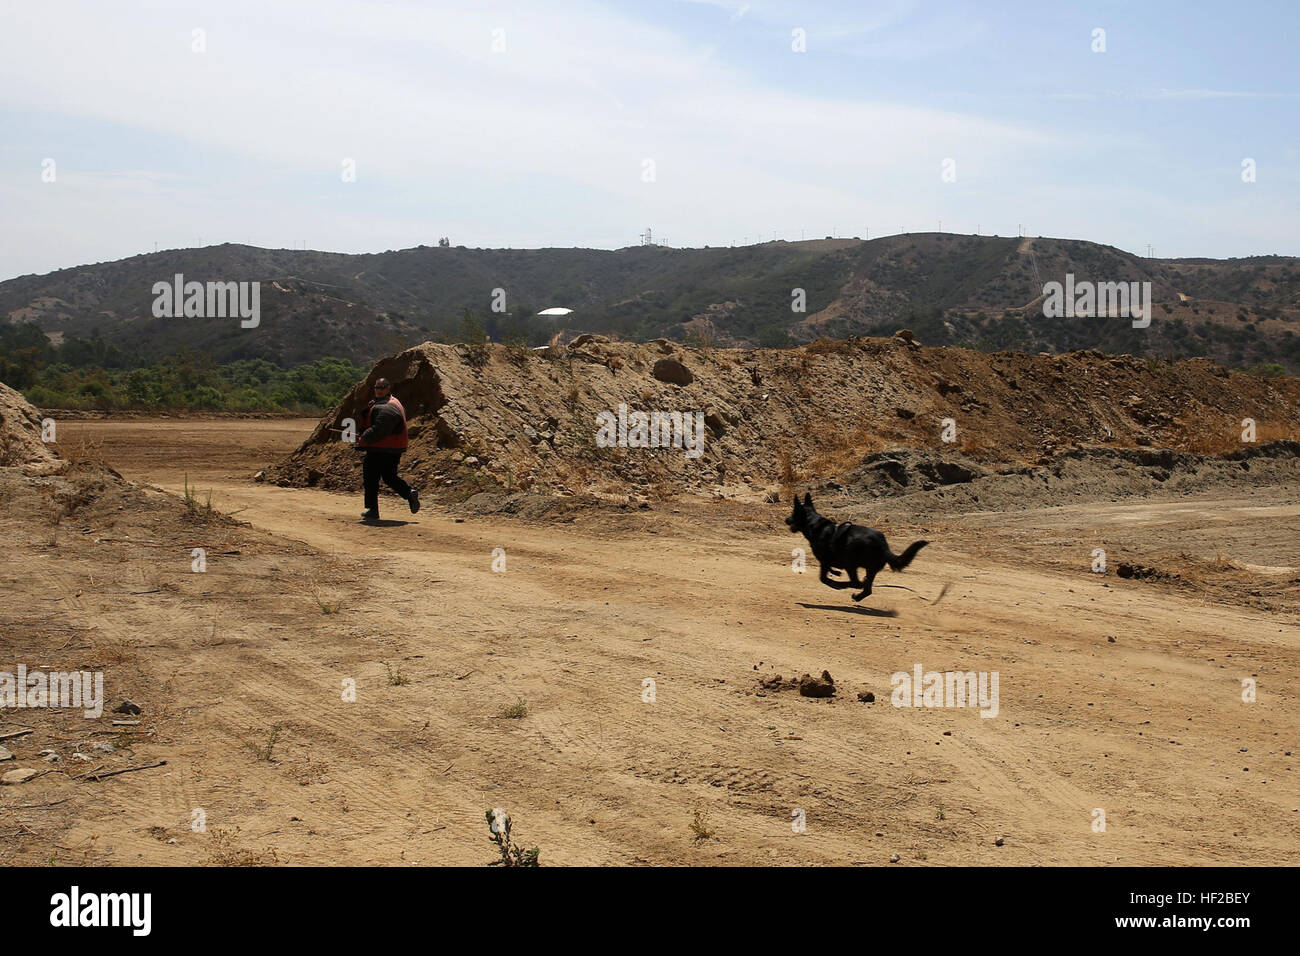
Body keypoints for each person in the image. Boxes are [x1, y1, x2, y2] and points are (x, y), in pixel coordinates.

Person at [357, 377, 420, 522]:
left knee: (370, 477)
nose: (378, 390)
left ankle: (373, 510)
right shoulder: (392, 402)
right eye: (376, 387)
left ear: (388, 388)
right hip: (393, 448)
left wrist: (364, 438)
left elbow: (380, 429)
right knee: (389, 476)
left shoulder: (386, 407)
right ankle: (409, 493)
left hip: (382, 448)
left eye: (382, 387)